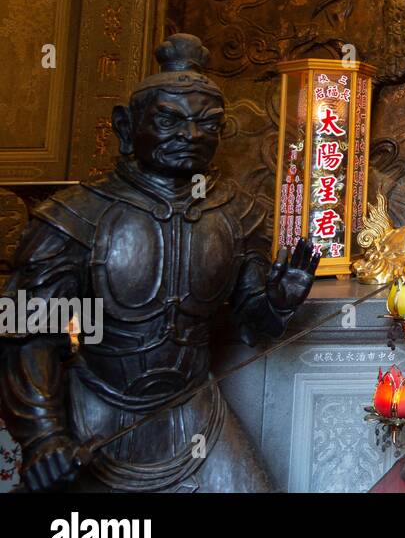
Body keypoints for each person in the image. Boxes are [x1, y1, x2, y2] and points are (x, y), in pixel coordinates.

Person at [0, 34, 317, 491]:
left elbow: (252, 326)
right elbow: (31, 335)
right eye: (169, 121)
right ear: (126, 127)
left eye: (207, 123)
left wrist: (278, 301)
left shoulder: (237, 214)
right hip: (96, 409)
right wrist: (45, 436)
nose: (190, 135)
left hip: (194, 408)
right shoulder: (77, 218)